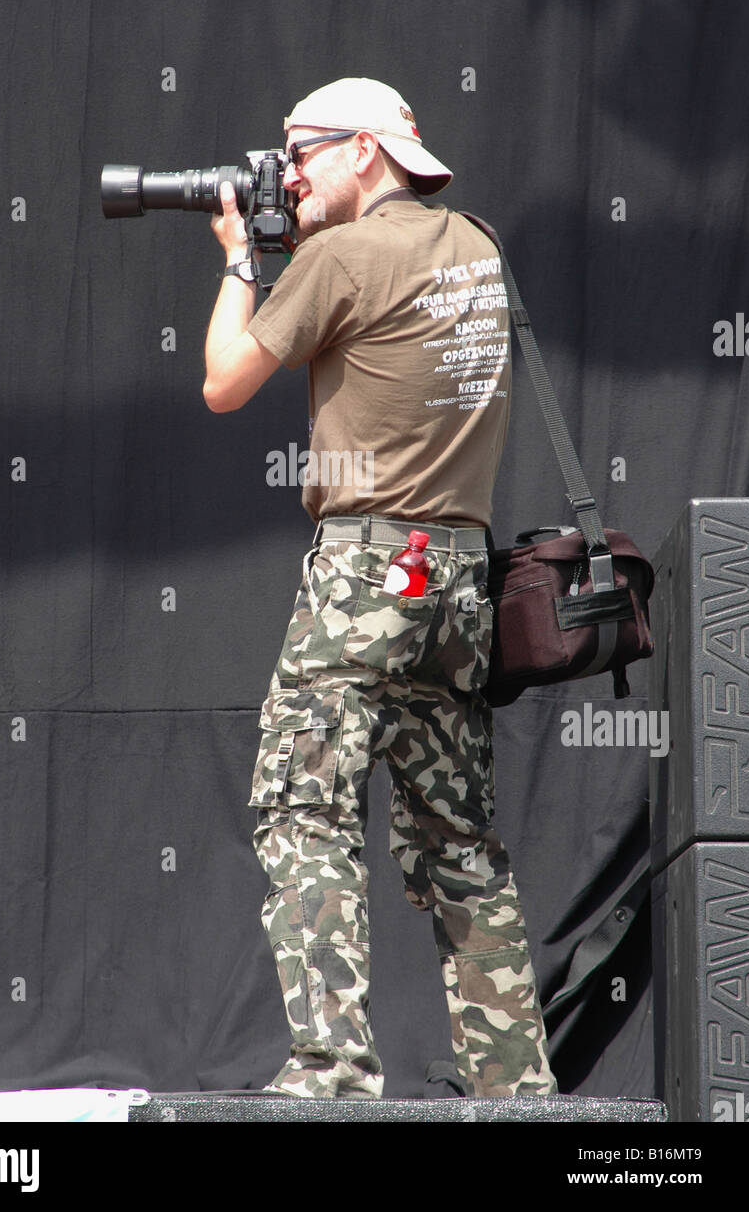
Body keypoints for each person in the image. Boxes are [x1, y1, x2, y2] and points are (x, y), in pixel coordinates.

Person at [203, 77, 556, 1100]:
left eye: (301, 153)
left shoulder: (341, 256)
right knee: (458, 838)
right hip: (458, 579)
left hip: (367, 570)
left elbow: (223, 380)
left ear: (365, 150)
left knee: (302, 807)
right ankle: (515, 1084)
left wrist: (241, 259)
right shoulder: (480, 247)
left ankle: (333, 1067)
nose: (289, 175)